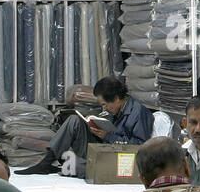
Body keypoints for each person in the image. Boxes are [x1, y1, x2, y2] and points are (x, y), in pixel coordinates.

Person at [16, 75, 153, 176]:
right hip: (103, 146)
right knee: (74, 120)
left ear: (116, 99)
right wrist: (93, 123)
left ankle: (72, 166)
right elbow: (106, 122)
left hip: (118, 157)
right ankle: (46, 162)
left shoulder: (139, 113)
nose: (104, 109)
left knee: (75, 167)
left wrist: (108, 136)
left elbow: (140, 147)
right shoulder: (114, 108)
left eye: (105, 105)